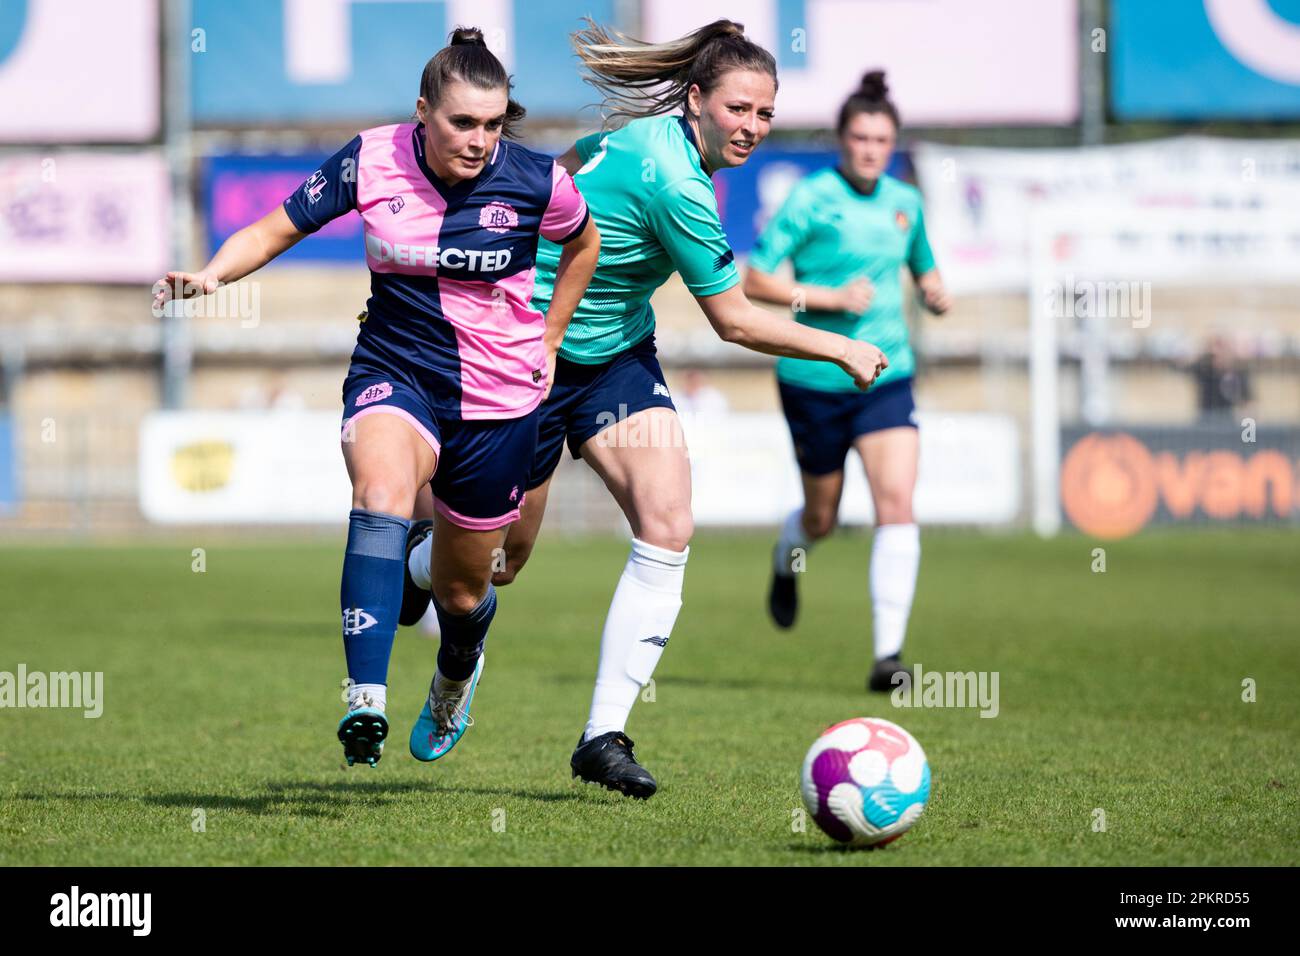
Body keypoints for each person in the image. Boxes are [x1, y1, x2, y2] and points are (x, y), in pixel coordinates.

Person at [403, 19, 887, 798]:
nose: (753, 128)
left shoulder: (650, 139)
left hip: (616, 362)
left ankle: (603, 736)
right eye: (739, 110)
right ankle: (421, 563)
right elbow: (731, 318)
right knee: (497, 567)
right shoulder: (675, 179)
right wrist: (838, 345)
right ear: (696, 99)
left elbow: (559, 177)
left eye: (765, 114)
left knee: (667, 524)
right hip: (529, 359)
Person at [153, 29, 600, 768]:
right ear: (423, 111)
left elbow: (583, 245)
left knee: (466, 592)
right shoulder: (372, 158)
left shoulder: (537, 181)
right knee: (382, 490)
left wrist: (550, 339)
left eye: (493, 125)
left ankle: (455, 678)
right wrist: (211, 276)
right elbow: (275, 226)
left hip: (497, 401)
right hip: (396, 370)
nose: (480, 141)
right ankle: (365, 700)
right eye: (462, 122)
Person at [743, 70, 951, 693]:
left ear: (893, 144)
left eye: (881, 140)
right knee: (822, 518)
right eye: (859, 137)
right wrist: (826, 295)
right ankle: (787, 557)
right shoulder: (811, 198)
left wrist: (934, 290)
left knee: (897, 504)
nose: (869, 149)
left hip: (888, 374)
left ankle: (888, 657)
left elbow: (924, 267)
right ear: (842, 139)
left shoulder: (905, 203)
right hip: (815, 375)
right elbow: (755, 279)